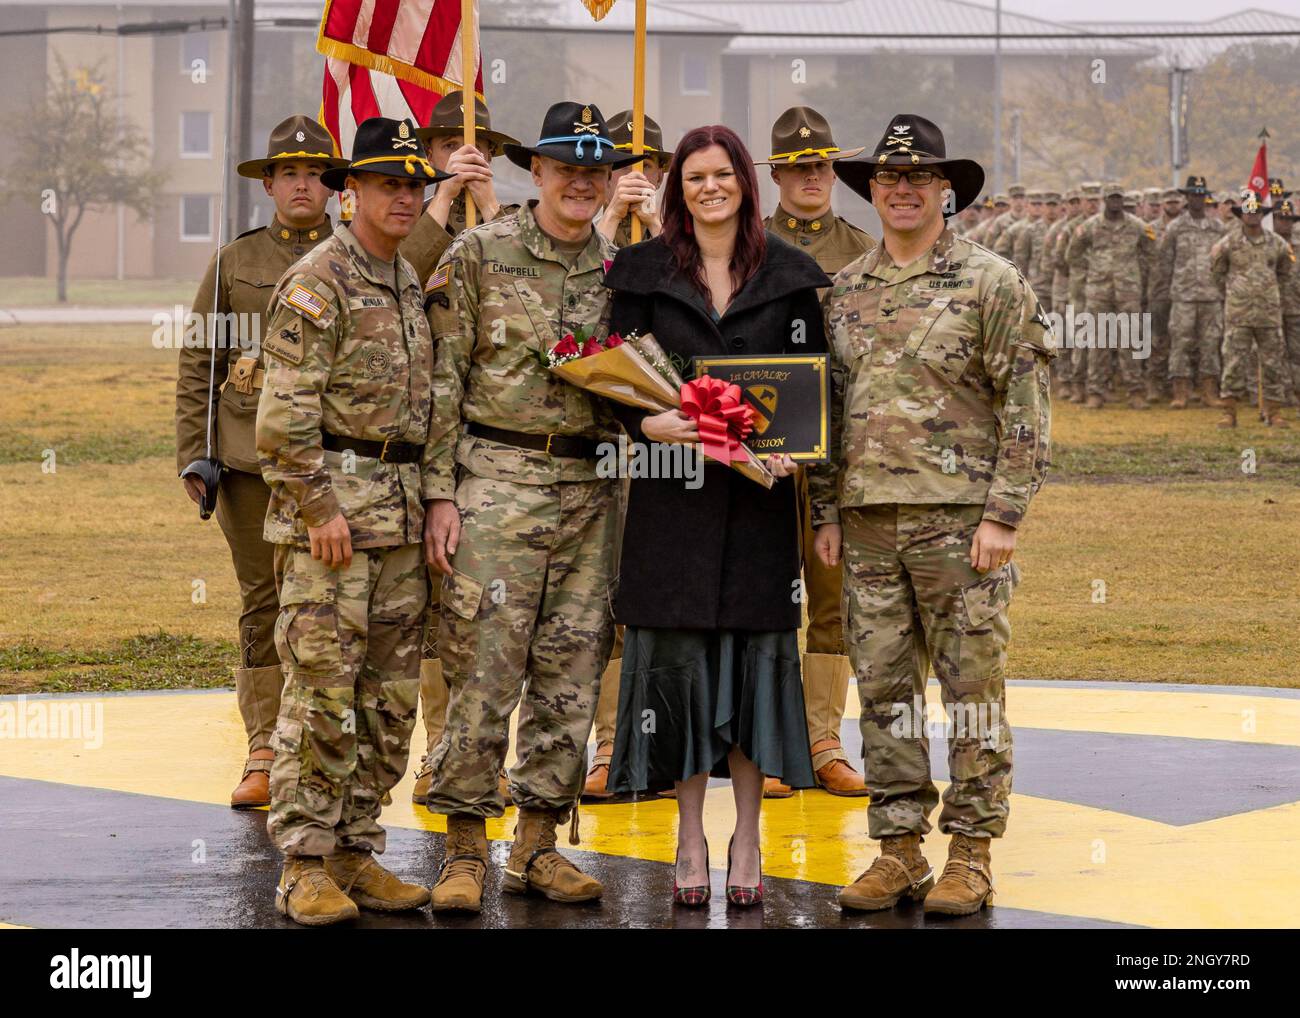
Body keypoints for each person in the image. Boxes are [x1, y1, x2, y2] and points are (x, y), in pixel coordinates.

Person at [816, 114, 1054, 917]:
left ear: (945, 190)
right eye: (889, 179)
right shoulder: (845, 292)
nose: (905, 190)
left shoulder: (992, 282)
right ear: (873, 192)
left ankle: (973, 853)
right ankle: (898, 850)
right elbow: (829, 414)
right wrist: (827, 512)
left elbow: (1025, 407)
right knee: (885, 694)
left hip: (962, 526)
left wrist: (1004, 516)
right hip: (869, 524)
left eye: (920, 178)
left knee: (973, 692)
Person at [421, 101, 639, 913]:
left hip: (590, 491)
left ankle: (539, 843)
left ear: (610, 180)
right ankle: (466, 846)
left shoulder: (623, 270)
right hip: (497, 481)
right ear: (536, 172)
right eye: (566, 167)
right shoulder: (481, 252)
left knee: (571, 670)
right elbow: (444, 379)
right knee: (483, 666)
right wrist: (440, 493)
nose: (581, 182)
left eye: (596, 169)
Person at [603, 123, 827, 908]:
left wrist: (803, 445)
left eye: (721, 174)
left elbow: (815, 383)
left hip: (760, 506)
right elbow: (611, 379)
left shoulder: (795, 277)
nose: (709, 187)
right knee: (685, 676)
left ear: (744, 182)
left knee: (751, 668)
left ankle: (750, 835)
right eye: (694, 176)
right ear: (676, 187)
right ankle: (691, 834)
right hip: (674, 508)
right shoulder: (639, 273)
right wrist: (644, 426)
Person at [256, 117, 449, 926]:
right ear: (352, 192)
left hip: (399, 521)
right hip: (334, 523)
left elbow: (429, 406)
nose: (406, 197)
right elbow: (283, 415)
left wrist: (434, 498)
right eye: (388, 184)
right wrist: (318, 506)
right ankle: (303, 863)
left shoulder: (404, 277)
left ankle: (354, 850)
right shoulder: (319, 279)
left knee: (388, 700)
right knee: (323, 695)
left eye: (415, 184)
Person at [175, 116, 347, 809]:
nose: (302, 183)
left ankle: (327, 746)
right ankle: (265, 748)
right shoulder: (233, 263)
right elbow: (198, 365)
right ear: (270, 184)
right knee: (262, 603)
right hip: (248, 468)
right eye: (289, 173)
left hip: (332, 464)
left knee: (336, 607)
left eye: (315, 172)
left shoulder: (352, 256)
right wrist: (196, 453)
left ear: (333, 186)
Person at [402, 93, 520, 809]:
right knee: (434, 610)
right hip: (419, 436)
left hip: (494, 445)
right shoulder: (414, 217)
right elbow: (404, 277)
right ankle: (438, 752)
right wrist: (443, 198)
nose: (460, 153)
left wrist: (489, 196)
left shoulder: (505, 220)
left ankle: (484, 760)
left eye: (470, 144)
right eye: (446, 144)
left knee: (488, 617)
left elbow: (533, 289)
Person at [755, 105, 873, 799]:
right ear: (776, 174)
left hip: (834, 455)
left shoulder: (862, 249)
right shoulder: (748, 244)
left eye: (821, 165)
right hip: (763, 454)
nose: (811, 177)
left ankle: (822, 738)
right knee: (767, 595)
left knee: (831, 596)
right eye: (797, 167)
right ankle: (769, 743)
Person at [583, 109, 674, 800]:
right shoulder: (592, 237)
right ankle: (609, 745)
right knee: (604, 600)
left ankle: (662, 745)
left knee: (664, 598)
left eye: (653, 168)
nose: (639, 179)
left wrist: (662, 229)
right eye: (622, 167)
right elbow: (578, 301)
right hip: (606, 446)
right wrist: (612, 220)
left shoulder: (684, 241)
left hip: (682, 449)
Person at [1066, 181, 1156, 409]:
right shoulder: (1090, 226)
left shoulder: (1138, 226)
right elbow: (1072, 254)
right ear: (1104, 200)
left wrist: (1136, 274)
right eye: (1111, 198)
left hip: (1128, 292)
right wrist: (1091, 271)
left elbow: (1152, 253)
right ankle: (1096, 391)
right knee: (1097, 342)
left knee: (1130, 341)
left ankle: (1135, 391)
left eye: (1118, 198)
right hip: (1098, 291)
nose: (1115, 202)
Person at [1210, 189, 1295, 429]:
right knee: (1233, 362)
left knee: (1272, 362)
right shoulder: (1227, 243)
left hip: (1268, 314)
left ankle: (1273, 411)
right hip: (1239, 313)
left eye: (1257, 211)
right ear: (1241, 214)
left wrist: (1267, 292)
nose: (1252, 215)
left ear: (1262, 213)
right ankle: (1229, 412)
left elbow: (1284, 274)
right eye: (1248, 211)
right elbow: (1217, 274)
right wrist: (1236, 292)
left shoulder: (1276, 243)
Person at [1158, 176, 1225, 409]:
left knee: (1210, 343)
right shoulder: (1176, 227)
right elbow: (1165, 260)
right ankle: (1181, 392)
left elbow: (1224, 262)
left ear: (1205, 197)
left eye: (1201, 194)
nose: (1197, 198)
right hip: (1183, 296)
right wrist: (1169, 289)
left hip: (1210, 296)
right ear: (1186, 197)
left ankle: (1209, 391)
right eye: (1193, 194)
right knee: (1181, 343)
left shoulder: (1218, 228)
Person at [595, 110, 673, 247]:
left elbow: (679, 267)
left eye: (645, 165)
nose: (634, 175)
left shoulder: (680, 237)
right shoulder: (580, 232)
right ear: (605, 175)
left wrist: (654, 224)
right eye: (624, 165)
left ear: (659, 177)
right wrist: (613, 215)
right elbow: (589, 266)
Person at [1271, 199, 1300, 407]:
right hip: (1272, 306)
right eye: (1281, 218)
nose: (1285, 223)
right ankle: (1281, 392)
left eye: (1289, 219)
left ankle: (1296, 390)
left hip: (1296, 307)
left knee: (1296, 351)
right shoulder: (1268, 244)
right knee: (1275, 351)